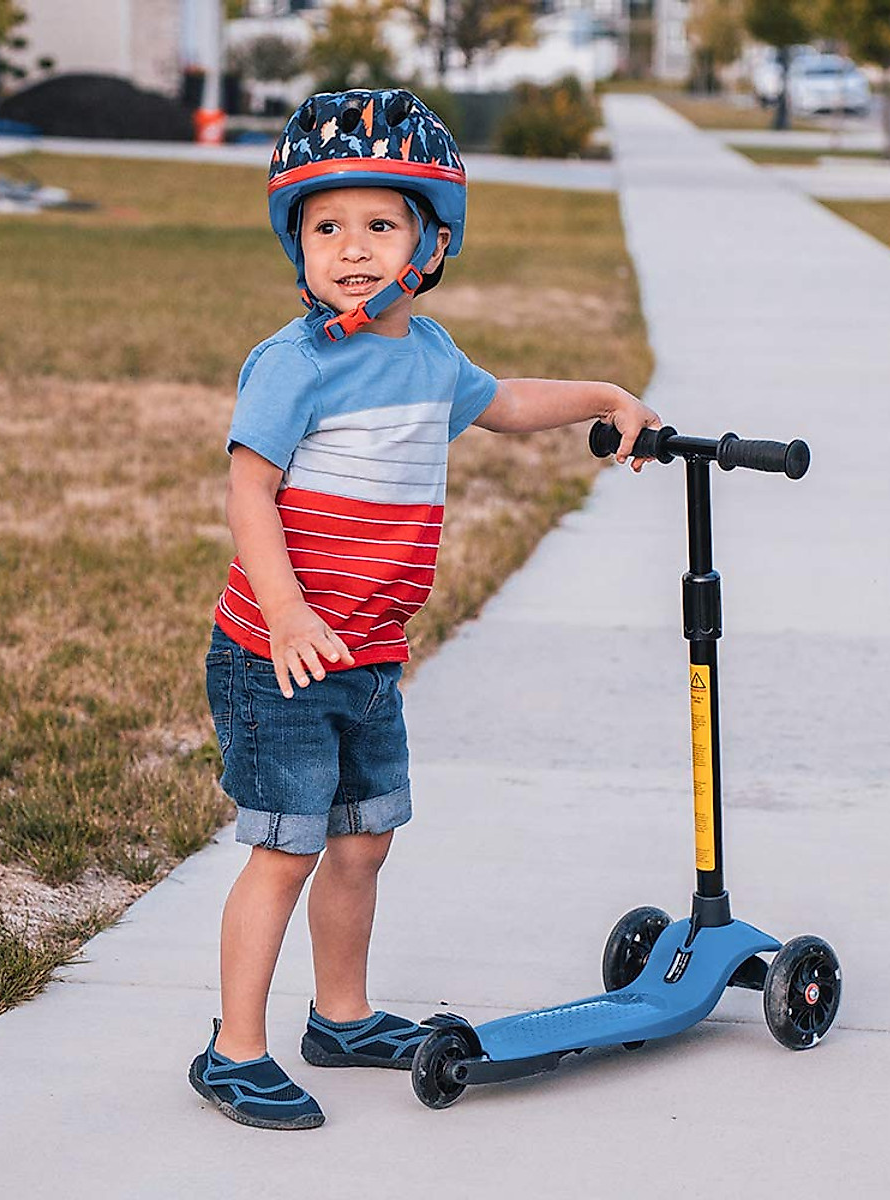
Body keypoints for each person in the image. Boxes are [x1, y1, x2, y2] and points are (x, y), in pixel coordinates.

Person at [189, 88, 658, 1130]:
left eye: (378, 223)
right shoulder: (294, 363)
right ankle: (232, 1050)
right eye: (325, 226)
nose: (351, 247)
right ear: (296, 246)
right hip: (280, 656)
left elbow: (510, 404)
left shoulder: (432, 356)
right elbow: (247, 492)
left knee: (363, 841)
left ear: (430, 241)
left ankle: (342, 1016)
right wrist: (287, 612)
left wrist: (606, 395)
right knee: (289, 846)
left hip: (367, 656)